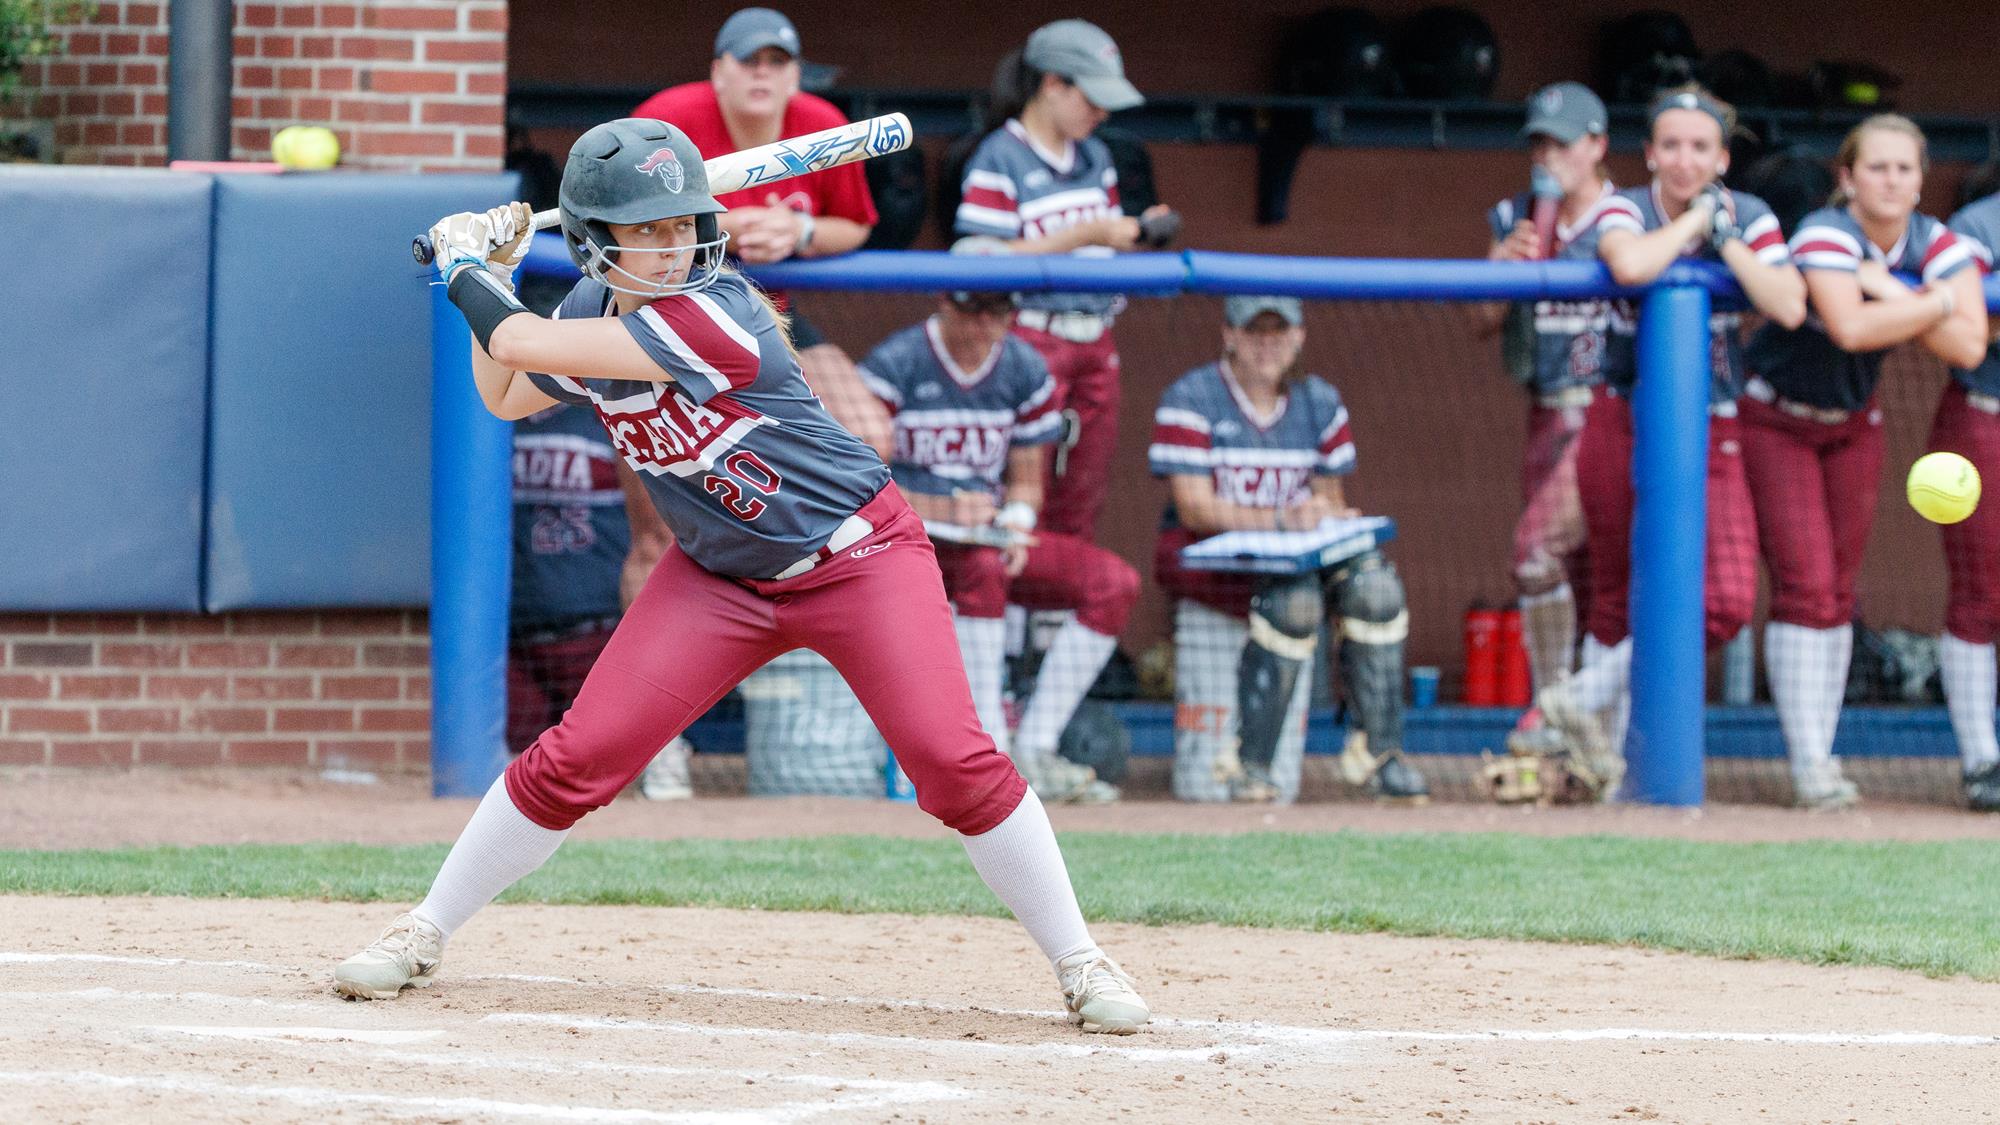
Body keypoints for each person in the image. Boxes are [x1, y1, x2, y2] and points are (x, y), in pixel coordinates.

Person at [333, 119, 1149, 1035]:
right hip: (719, 575)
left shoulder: (716, 311)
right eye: (646, 229)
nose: (673, 244)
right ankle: (424, 929)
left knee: (952, 764)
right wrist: (503, 276)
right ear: (597, 244)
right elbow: (506, 389)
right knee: (579, 756)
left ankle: (1082, 959)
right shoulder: (586, 314)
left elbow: (514, 342)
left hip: (856, 558)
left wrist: (466, 271)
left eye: (682, 222)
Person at [1539, 85, 1808, 799]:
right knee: (1614, 594)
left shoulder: (1749, 215)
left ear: (1722, 156)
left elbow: (1786, 303)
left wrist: (1724, 236)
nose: (1685, 159)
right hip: (1620, 412)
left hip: (1709, 422)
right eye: (1671, 145)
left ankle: (1584, 694)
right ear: (1651, 152)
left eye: (1700, 147)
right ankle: (1610, 768)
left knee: (1722, 598)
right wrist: (1692, 230)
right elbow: (1630, 265)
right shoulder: (1626, 205)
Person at [1741, 115, 1987, 809]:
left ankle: (1824, 750)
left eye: (1905, 169)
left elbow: (1968, 347)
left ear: (1920, 178)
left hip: (1854, 423)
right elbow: (1849, 326)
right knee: (1807, 586)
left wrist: (1895, 291)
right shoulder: (1826, 230)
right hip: (1775, 414)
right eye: (1876, 167)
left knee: (1839, 592)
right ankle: (1809, 761)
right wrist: (1930, 302)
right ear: (1847, 177)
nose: (1892, 181)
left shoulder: (1933, 239)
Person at [857, 241, 1140, 804]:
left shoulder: (1022, 365)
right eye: (975, 308)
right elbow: (858, 483)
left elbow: (1028, 477)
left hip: (986, 533)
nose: (987, 324)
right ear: (945, 301)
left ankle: (1032, 745)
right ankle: (989, 750)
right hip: (905, 540)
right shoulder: (898, 360)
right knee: (984, 569)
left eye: (1000, 310)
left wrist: (1015, 518)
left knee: (1114, 583)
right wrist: (938, 510)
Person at [1150, 296, 1429, 802]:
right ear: (1229, 335)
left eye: (1279, 332)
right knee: (1295, 599)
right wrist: (1282, 520)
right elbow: (1193, 508)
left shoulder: (1319, 399)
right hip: (1209, 559)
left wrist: (1327, 515)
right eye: (1254, 331)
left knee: (1376, 589)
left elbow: (1328, 497)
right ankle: (1249, 764)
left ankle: (1379, 751)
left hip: (1289, 562)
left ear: (1300, 336)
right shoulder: (1191, 395)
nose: (1267, 344)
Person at [632, 6, 893, 460]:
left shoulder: (824, 127)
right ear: (718, 72)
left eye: (777, 62)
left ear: (795, 76)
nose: (762, 74)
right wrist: (714, 230)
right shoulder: (665, 123)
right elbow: (620, 227)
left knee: (868, 435)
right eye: (748, 60)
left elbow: (856, 225)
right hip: (667, 312)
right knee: (667, 470)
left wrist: (801, 231)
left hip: (770, 315)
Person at [955, 18, 1177, 545]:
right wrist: (1086, 233)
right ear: (1052, 84)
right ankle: (1005, 620)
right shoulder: (998, 155)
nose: (1101, 112)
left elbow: (1101, 241)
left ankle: (1056, 617)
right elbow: (977, 258)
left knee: (1081, 491)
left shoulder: (1096, 155)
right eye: (1091, 97)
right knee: (1019, 493)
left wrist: (1136, 234)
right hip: (1029, 336)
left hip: (1096, 336)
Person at [1480, 81, 1619, 701]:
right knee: (1576, 574)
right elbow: (1479, 321)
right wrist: (1502, 271)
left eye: (1561, 145)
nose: (1547, 156)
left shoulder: (1626, 214)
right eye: (1538, 143)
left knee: (1537, 555)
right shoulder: (1517, 216)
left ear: (1596, 146)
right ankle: (1573, 722)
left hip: (1608, 413)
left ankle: (1556, 704)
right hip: (1545, 411)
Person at [1931, 174, 2000, 812]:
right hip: (1984, 414)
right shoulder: (1981, 222)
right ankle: (1982, 758)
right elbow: (1967, 308)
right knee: (1981, 591)